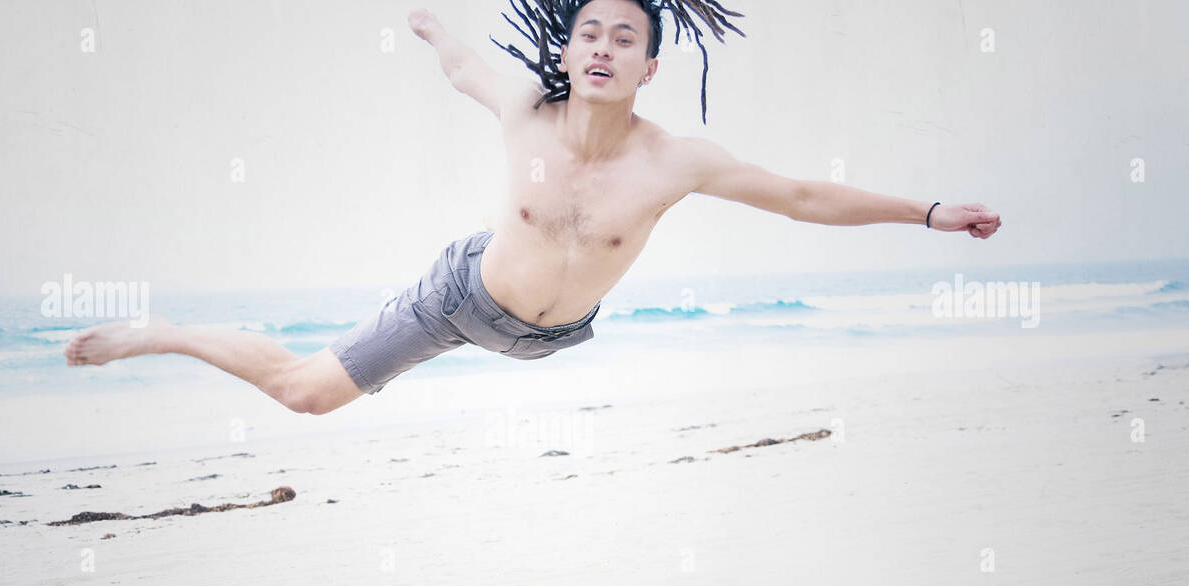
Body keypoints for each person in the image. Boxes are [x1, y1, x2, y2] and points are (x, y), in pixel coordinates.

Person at [65, 0, 1001, 414]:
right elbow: (468, 67)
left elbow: (803, 196)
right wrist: (436, 30)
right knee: (304, 395)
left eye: (623, 37)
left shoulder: (678, 161)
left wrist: (928, 212)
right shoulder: (527, 111)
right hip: (459, 301)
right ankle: (164, 334)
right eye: (588, 30)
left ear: (649, 66)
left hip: (551, 339)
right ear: (570, 49)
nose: (602, 45)